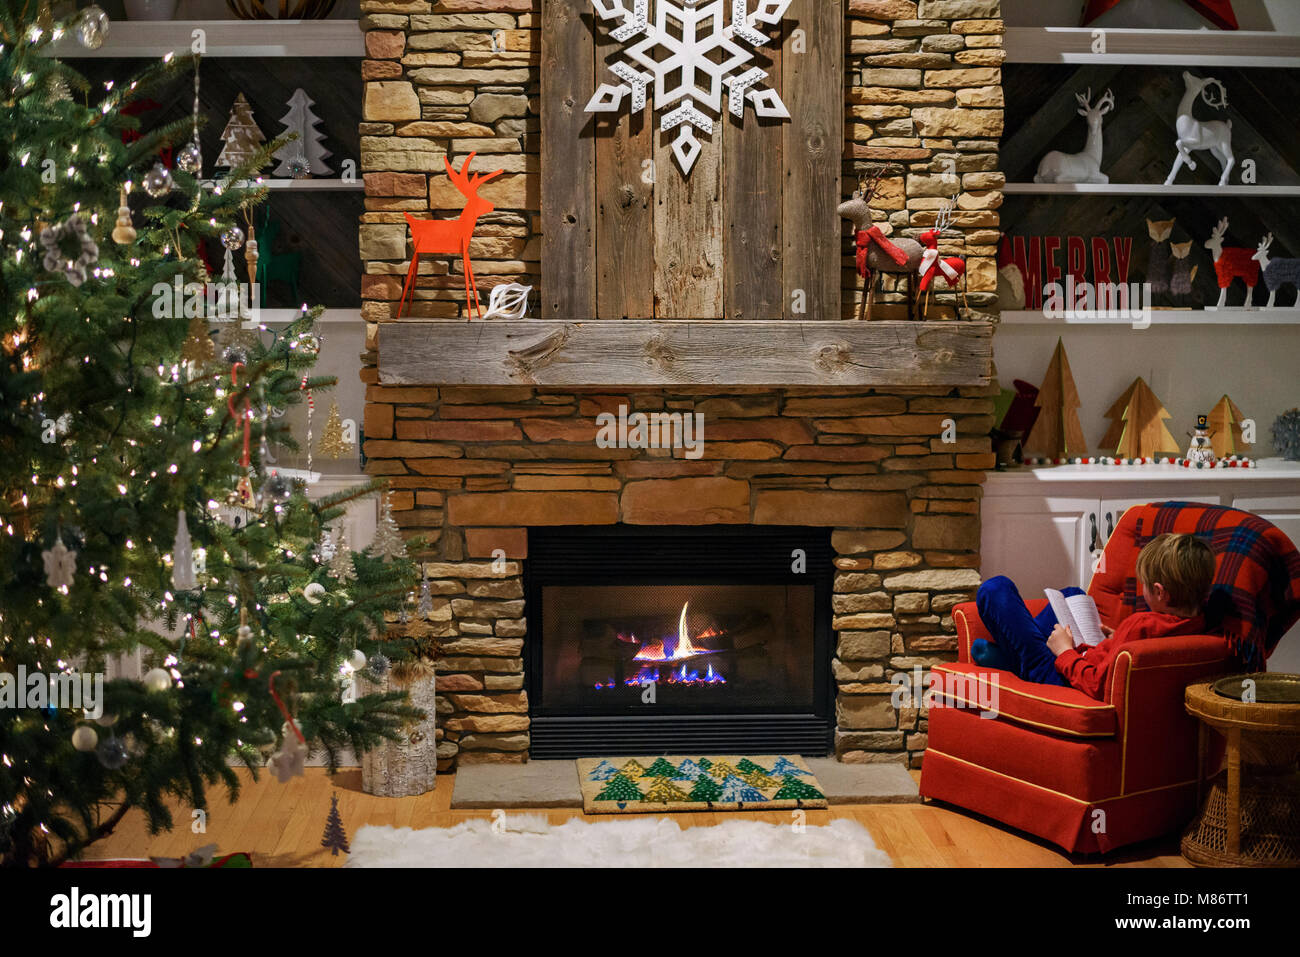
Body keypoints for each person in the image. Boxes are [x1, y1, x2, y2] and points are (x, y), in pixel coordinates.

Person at [971, 533, 1216, 699]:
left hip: (1063, 677)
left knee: (995, 589)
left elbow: (1096, 685)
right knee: (1072, 594)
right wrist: (1116, 638)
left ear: (1160, 592)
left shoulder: (1139, 625)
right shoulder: (1201, 625)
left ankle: (1014, 664)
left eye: (1145, 584)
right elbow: (1135, 652)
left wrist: (1064, 650)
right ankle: (1009, 658)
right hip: (1086, 657)